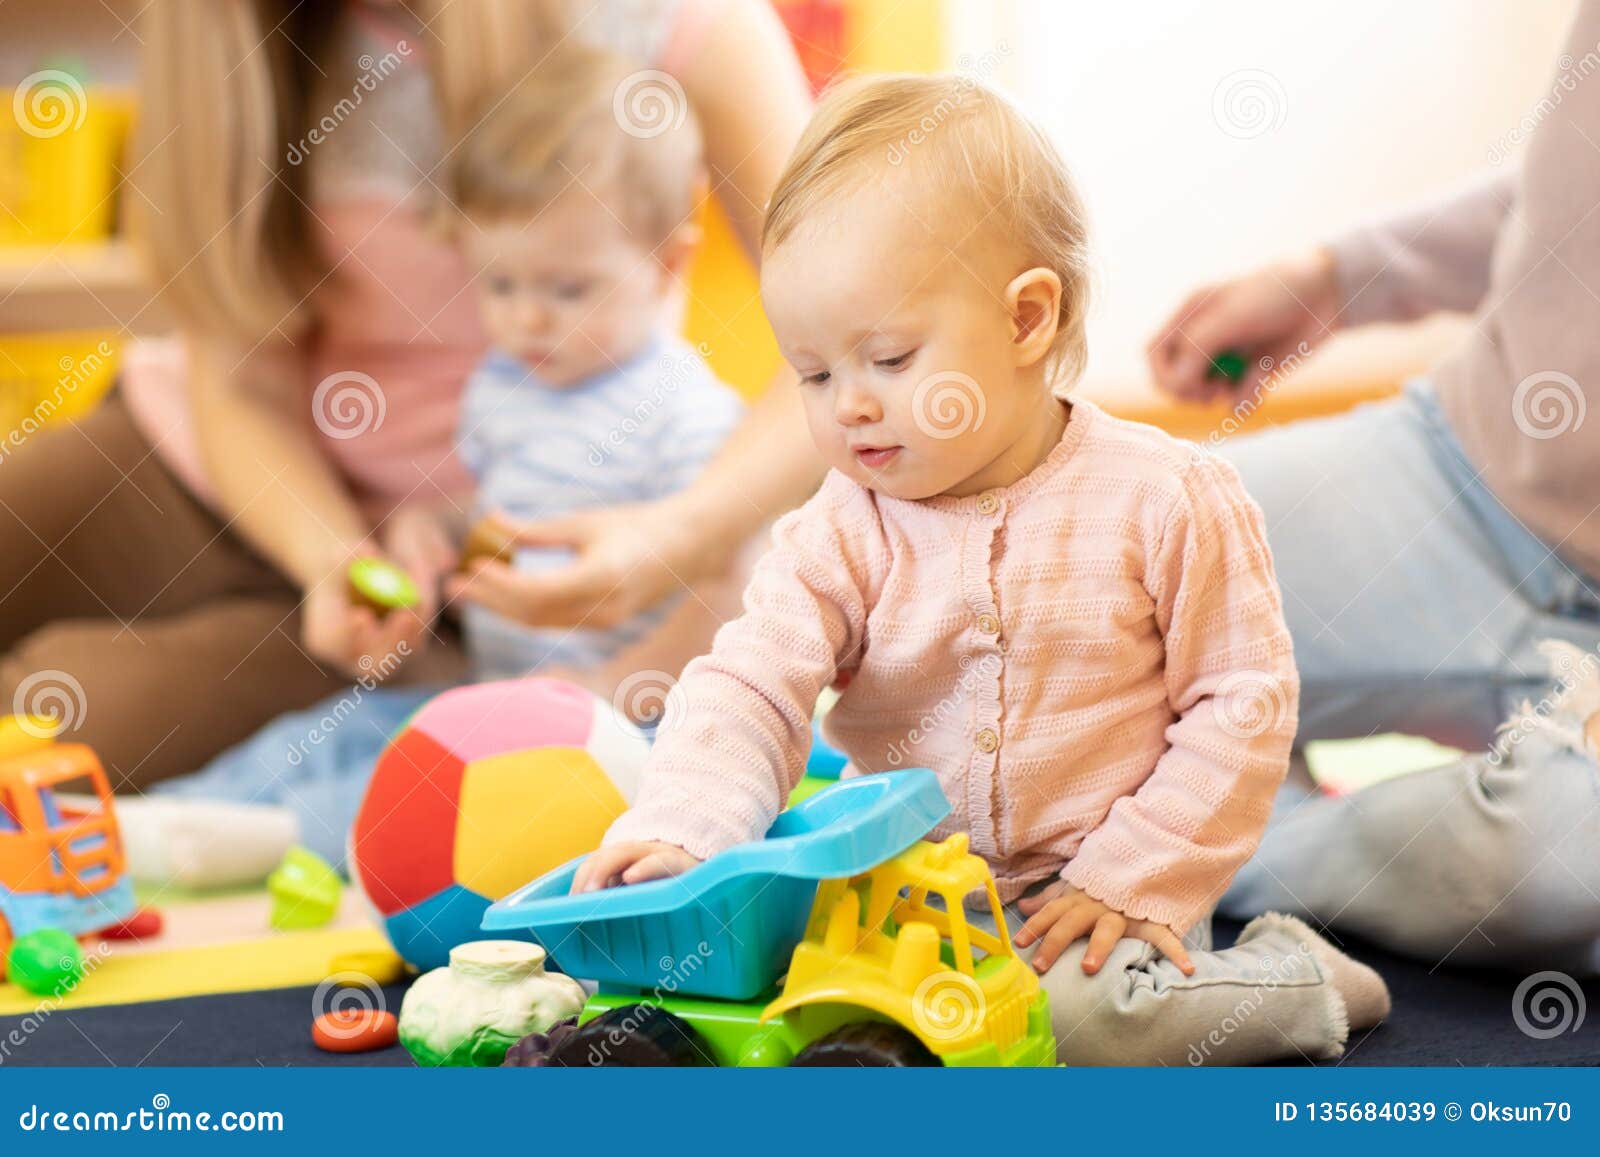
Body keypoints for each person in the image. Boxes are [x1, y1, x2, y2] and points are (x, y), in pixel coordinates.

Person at [574, 73, 1390, 1065]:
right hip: (902, 910)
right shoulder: (840, 528)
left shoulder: (1169, 497)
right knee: (794, 1010)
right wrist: (687, 829)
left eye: (887, 357)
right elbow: (751, 682)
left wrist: (1130, 876)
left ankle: (1293, 974)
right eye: (815, 374)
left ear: (1024, 319)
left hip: (1093, 911)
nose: (849, 406)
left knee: (1083, 1031)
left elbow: (1242, 703)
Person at [0, 0, 812, 787]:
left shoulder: (673, 26)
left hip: (447, 598)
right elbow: (240, 383)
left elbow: (842, 343)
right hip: (219, 475)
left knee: (56, 734)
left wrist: (683, 534)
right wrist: (332, 555)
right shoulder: (253, 39)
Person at [126, 44, 750, 879]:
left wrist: (619, 680)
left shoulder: (683, 408)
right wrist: (429, 528)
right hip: (495, 705)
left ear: (668, 263)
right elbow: (493, 509)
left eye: (567, 290)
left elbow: (742, 576)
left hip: (628, 732)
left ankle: (219, 849)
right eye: (498, 285)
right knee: (337, 729)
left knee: (380, 802)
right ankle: (162, 819)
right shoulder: (507, 385)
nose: (528, 319)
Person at [1145, 1, 1600, 971]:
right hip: (1454, 479)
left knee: (1563, 859)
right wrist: (1337, 273)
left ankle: (1231, 847)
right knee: (1059, 599)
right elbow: (1572, 179)